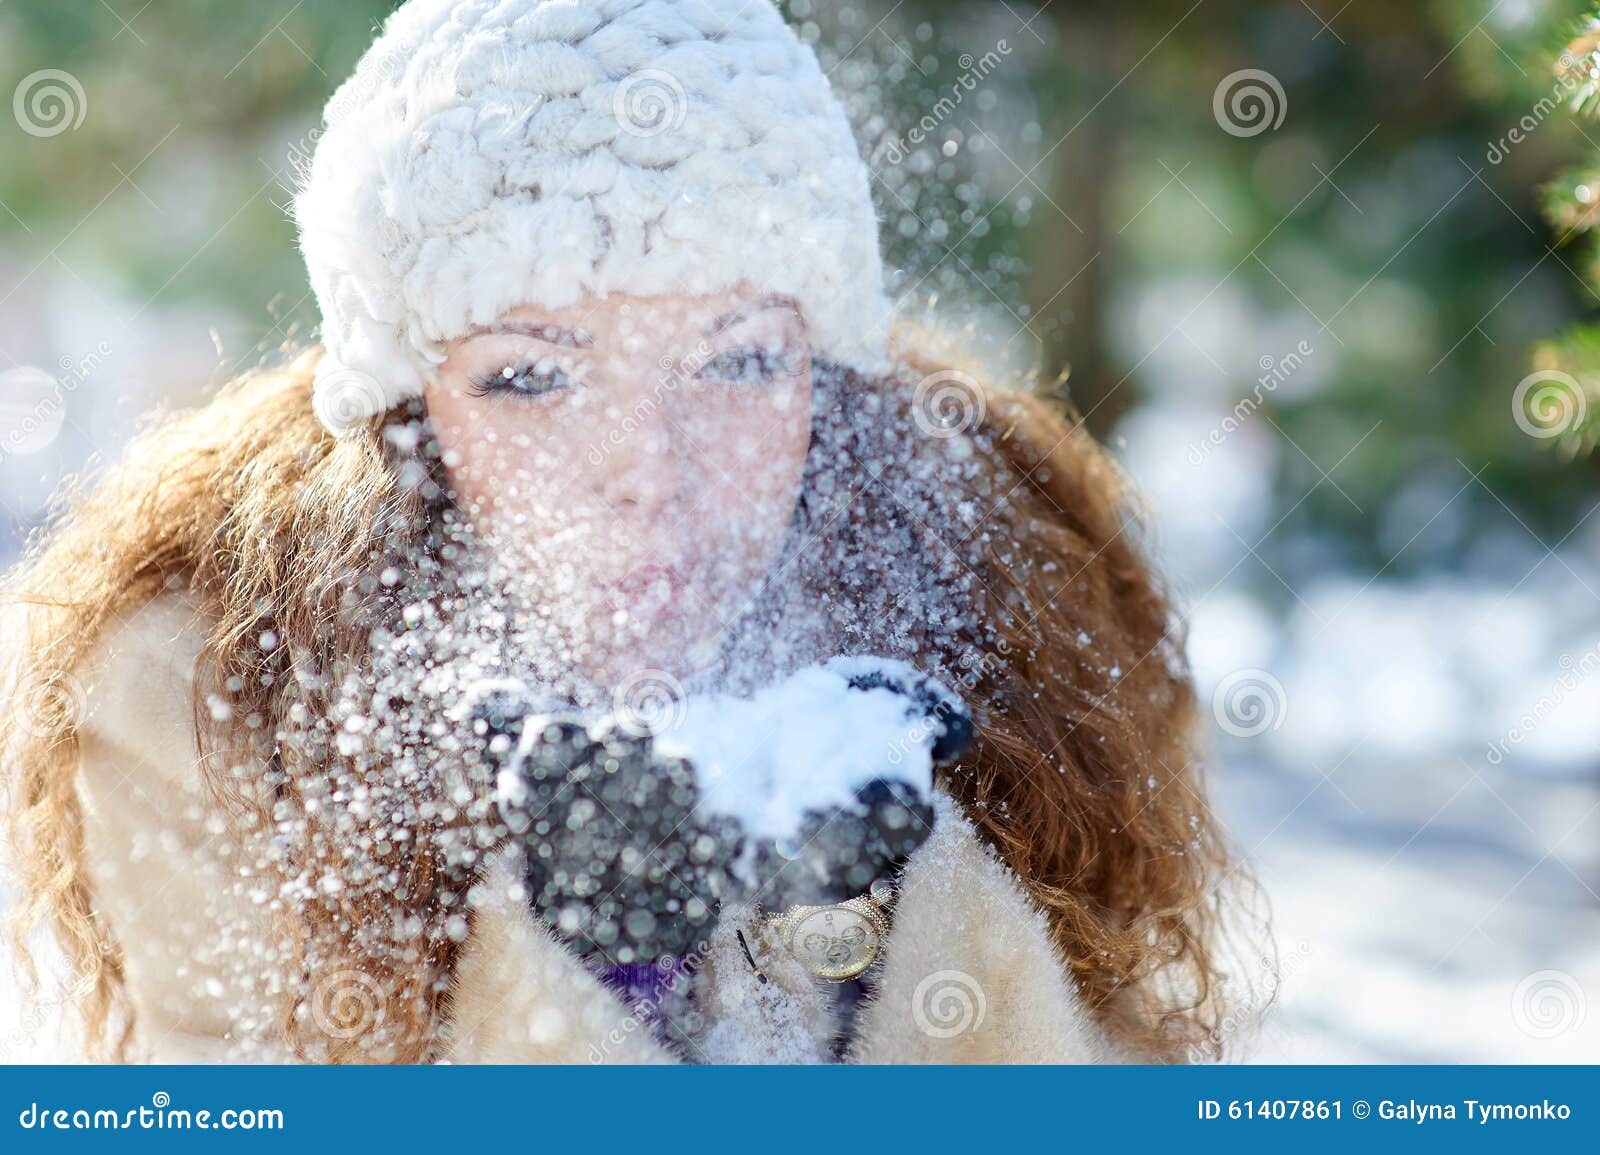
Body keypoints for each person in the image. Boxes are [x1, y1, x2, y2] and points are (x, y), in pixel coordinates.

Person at [1, 0, 1262, 1064]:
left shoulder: (1012, 613)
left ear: (825, 375)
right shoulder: (208, 692)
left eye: (738, 362)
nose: (649, 473)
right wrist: (596, 988)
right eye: (532, 379)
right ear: (406, 408)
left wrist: (886, 937)